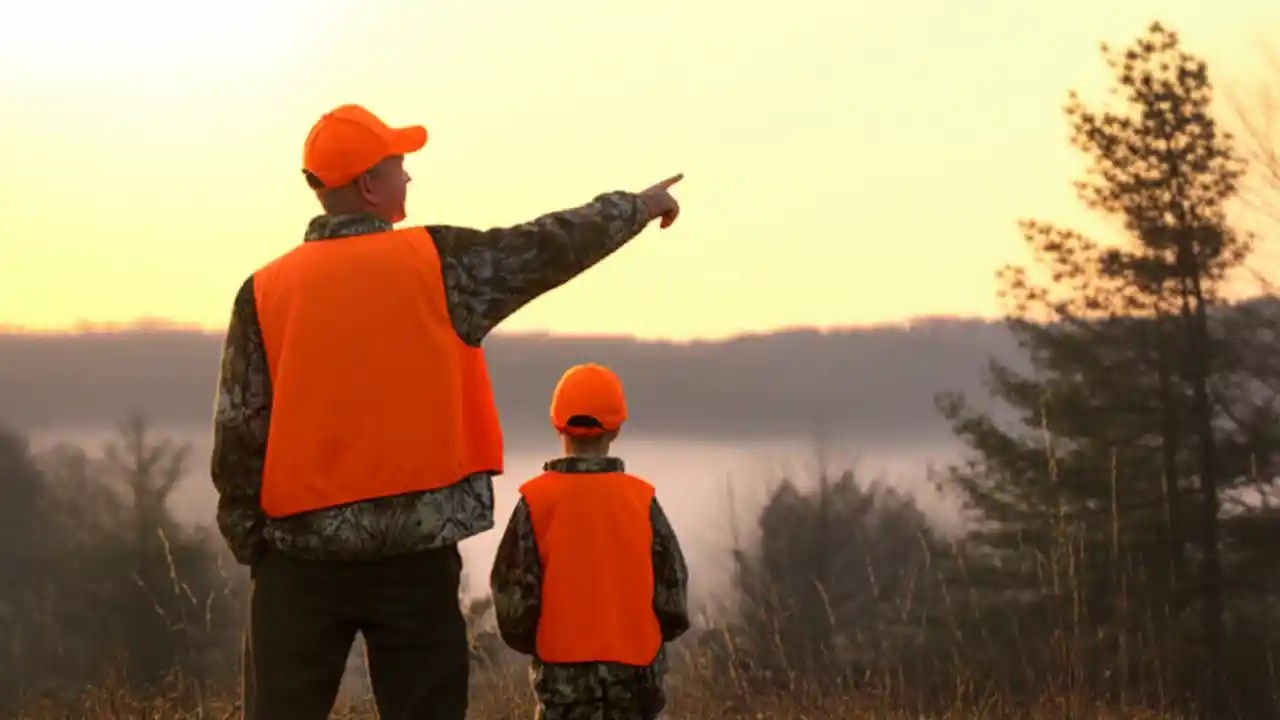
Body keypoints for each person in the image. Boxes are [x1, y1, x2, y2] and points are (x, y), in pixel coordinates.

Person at [209, 103, 684, 720]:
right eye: (399, 166)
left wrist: (258, 547)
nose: (409, 178)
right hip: (415, 562)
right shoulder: (441, 267)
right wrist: (636, 207)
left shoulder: (265, 291)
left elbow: (240, 429)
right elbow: (547, 247)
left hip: (299, 565)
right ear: (368, 185)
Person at [490, 362, 690, 720]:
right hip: (636, 683)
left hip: (563, 687)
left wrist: (540, 644)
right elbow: (672, 598)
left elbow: (513, 603)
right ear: (615, 429)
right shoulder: (641, 500)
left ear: (557, 424)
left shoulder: (536, 502)